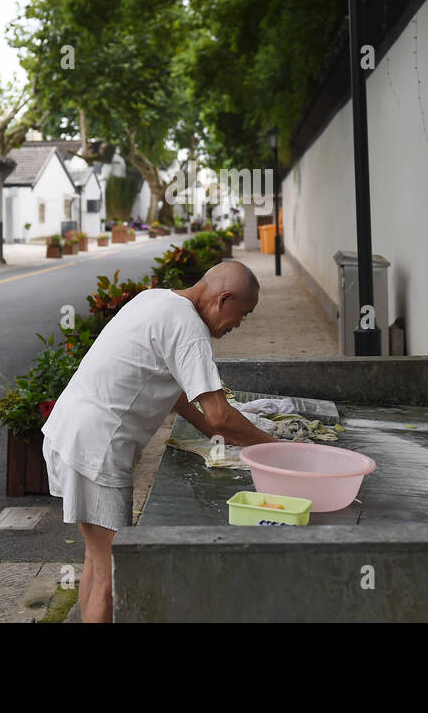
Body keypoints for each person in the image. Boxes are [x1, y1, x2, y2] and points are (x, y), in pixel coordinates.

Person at [40, 259, 277, 622]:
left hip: (70, 433)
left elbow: (179, 392)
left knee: (97, 559)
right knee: (115, 569)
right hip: (97, 448)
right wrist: (274, 448)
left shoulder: (155, 300)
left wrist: (213, 434)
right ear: (223, 299)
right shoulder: (189, 328)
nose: (238, 325)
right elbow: (219, 412)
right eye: (242, 314)